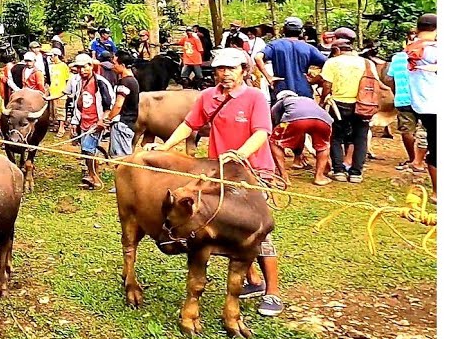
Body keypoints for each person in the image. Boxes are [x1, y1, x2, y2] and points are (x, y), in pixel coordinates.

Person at [152, 47, 283, 318]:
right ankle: (253, 280)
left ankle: (272, 292)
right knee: (225, 224)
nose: (225, 74)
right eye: (220, 69)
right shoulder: (208, 96)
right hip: (218, 172)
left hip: (253, 171)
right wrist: (165, 147)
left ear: (244, 71)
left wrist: (240, 154)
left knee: (258, 230)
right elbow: (189, 125)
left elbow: (261, 132)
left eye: (231, 69)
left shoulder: (255, 97)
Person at [318, 33, 382, 183]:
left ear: (337, 50)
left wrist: (322, 101)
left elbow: (327, 85)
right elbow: (375, 83)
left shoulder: (332, 62)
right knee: (360, 138)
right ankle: (356, 173)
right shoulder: (367, 63)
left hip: (338, 104)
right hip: (363, 105)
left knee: (335, 137)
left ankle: (339, 171)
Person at [268, 90, 334, 187]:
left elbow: (274, 122)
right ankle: (319, 176)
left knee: (274, 141)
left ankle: (284, 177)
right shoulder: (308, 100)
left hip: (296, 119)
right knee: (323, 146)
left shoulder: (282, 101)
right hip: (324, 121)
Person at [405, 13, 438, 199]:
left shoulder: (411, 49)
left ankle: (437, 192)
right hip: (437, 104)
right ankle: (437, 193)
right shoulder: (434, 50)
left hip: (422, 105)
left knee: (434, 144)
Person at [70, 53, 115, 190]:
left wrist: (103, 120)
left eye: (84, 67)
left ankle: (95, 178)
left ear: (91, 66)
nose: (82, 70)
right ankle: (91, 174)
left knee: (88, 149)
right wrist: (74, 121)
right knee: (86, 150)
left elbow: (109, 104)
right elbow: (78, 103)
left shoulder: (100, 82)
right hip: (84, 120)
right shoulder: (79, 82)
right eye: (79, 68)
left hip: (96, 122)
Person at [257, 16, 327, 100]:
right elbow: (328, 63)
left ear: (284, 30)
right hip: (303, 89)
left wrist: (269, 77)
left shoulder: (275, 45)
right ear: (301, 31)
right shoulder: (308, 48)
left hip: (282, 89)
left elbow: (258, 57)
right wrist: (315, 79)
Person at [387, 43, 428, 172]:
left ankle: (413, 159)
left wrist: (396, 93)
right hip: (425, 99)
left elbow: (390, 78)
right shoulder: (427, 55)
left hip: (403, 99)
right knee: (427, 130)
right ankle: (422, 160)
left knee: (407, 130)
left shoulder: (397, 58)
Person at [104, 52, 140, 159]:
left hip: (122, 124)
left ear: (122, 65)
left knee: (121, 158)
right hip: (129, 123)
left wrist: (108, 118)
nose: (113, 66)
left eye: (115, 63)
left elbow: (118, 105)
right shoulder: (133, 80)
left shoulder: (125, 82)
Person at [47, 49, 71, 133]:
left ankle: (62, 128)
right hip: (52, 91)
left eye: (51, 56)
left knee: (61, 110)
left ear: (56, 56)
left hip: (61, 92)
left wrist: (66, 91)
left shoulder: (63, 66)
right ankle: (56, 125)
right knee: (53, 111)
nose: (50, 58)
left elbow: (67, 79)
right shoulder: (51, 66)